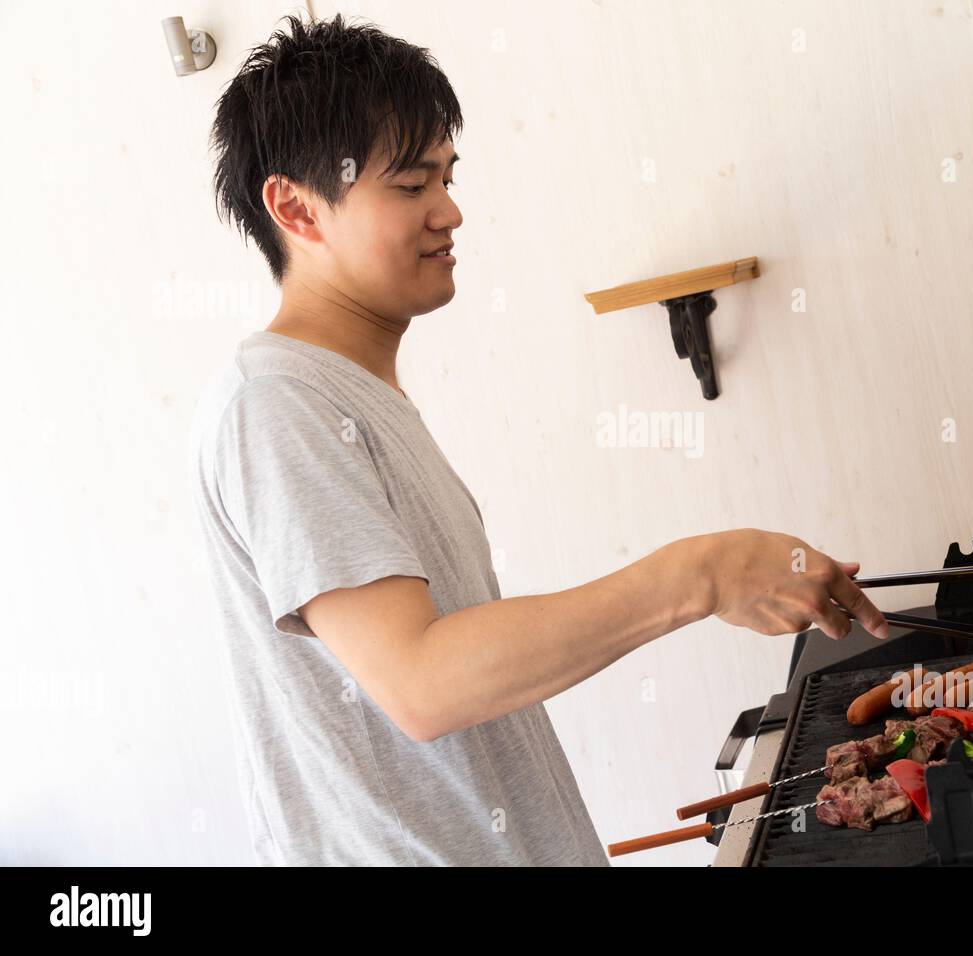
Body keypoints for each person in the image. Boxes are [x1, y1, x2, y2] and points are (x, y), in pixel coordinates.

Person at [190, 13, 888, 866]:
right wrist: (701, 573)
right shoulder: (276, 404)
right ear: (296, 206)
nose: (450, 211)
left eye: (447, 176)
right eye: (411, 186)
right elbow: (421, 683)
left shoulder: (356, 397)